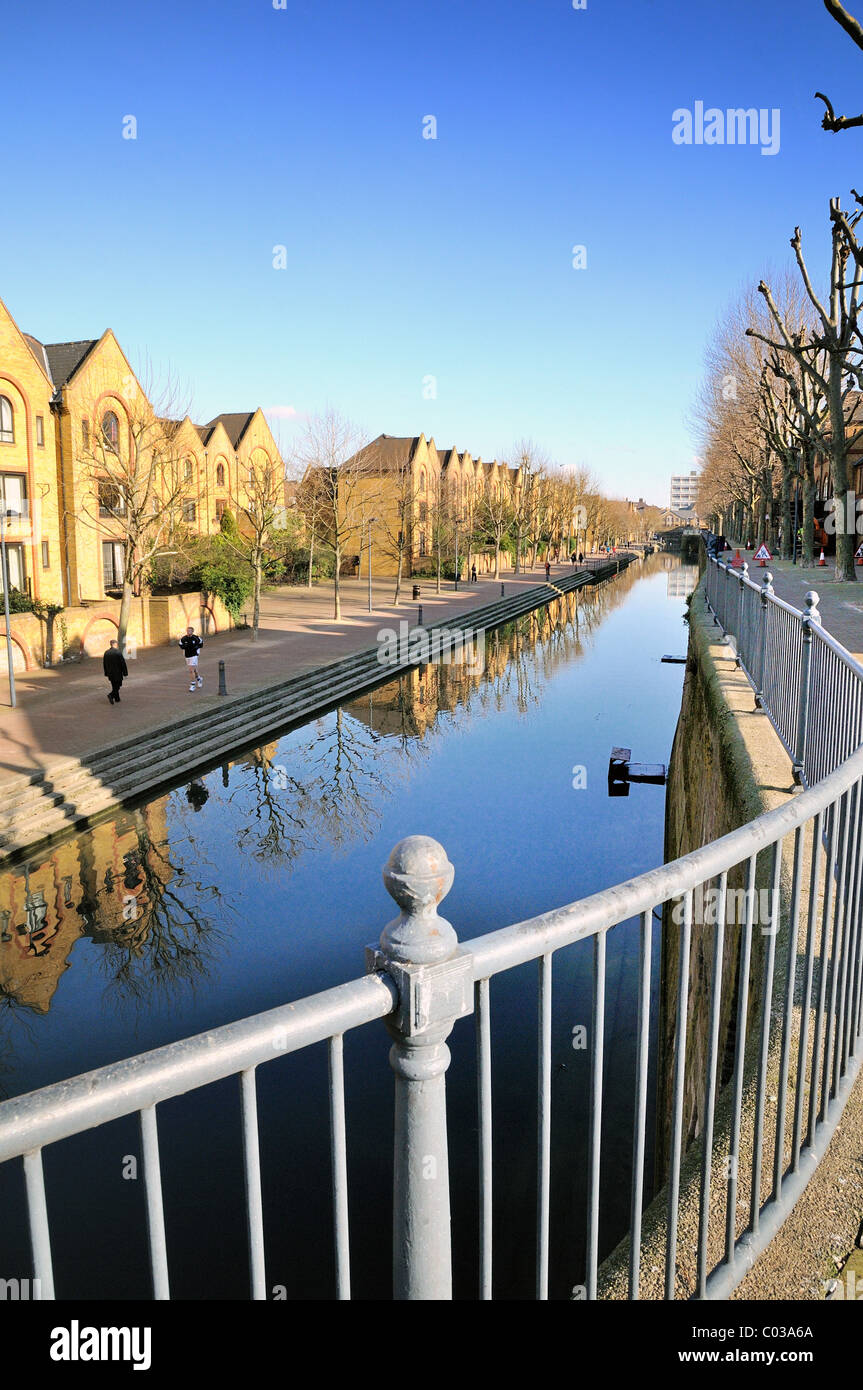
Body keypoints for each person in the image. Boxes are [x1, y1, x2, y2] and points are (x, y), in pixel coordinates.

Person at [103, 638, 128, 705]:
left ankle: (117, 698)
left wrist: (106, 672)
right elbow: (122, 663)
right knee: (118, 685)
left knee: (114, 685)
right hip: (117, 672)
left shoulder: (106, 652)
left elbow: (104, 663)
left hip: (110, 673)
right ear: (115, 644)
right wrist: (125, 673)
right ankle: (111, 695)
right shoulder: (118, 652)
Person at [178, 626, 204, 691]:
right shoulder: (183, 639)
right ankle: (199, 679)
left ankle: (192, 685)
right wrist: (184, 647)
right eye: (187, 631)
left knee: (191, 670)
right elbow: (180, 645)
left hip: (194, 655)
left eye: (190, 631)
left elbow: (201, 644)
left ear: (192, 631)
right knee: (194, 670)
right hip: (187, 656)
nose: (188, 632)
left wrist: (197, 650)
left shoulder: (196, 638)